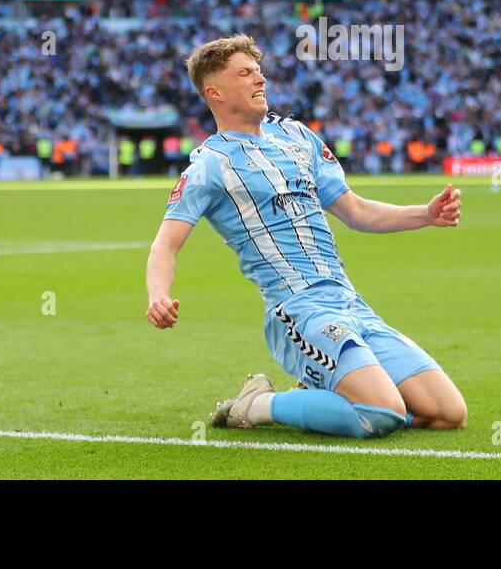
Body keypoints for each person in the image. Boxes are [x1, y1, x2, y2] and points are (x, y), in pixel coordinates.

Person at [145, 34, 467, 438]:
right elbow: (166, 243)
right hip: (297, 311)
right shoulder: (210, 166)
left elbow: (356, 210)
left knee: (448, 413)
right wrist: (158, 294)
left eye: (259, 71)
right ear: (215, 92)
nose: (259, 80)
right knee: (381, 413)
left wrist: (425, 213)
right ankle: (256, 405)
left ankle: (326, 387)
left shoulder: (296, 137)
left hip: (350, 303)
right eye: (245, 74)